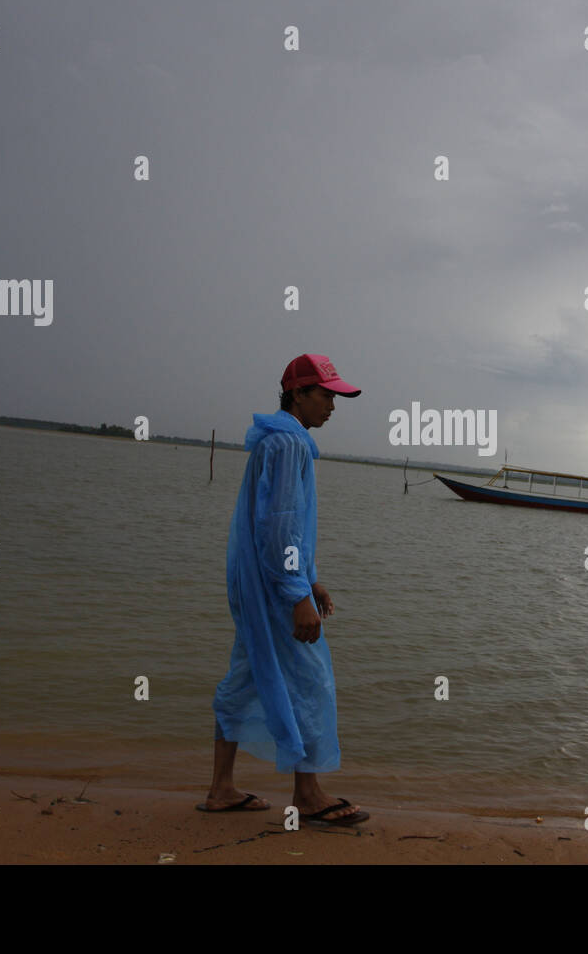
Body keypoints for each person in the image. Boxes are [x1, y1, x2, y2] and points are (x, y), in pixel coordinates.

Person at [201, 354, 369, 826]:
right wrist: (296, 595)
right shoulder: (289, 445)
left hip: (257, 583)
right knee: (310, 682)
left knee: (244, 679)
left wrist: (308, 579)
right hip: (274, 589)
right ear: (297, 393)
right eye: (325, 394)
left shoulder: (276, 441)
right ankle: (309, 795)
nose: (332, 405)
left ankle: (220, 789)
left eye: (335, 396)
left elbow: (281, 526)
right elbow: (279, 528)